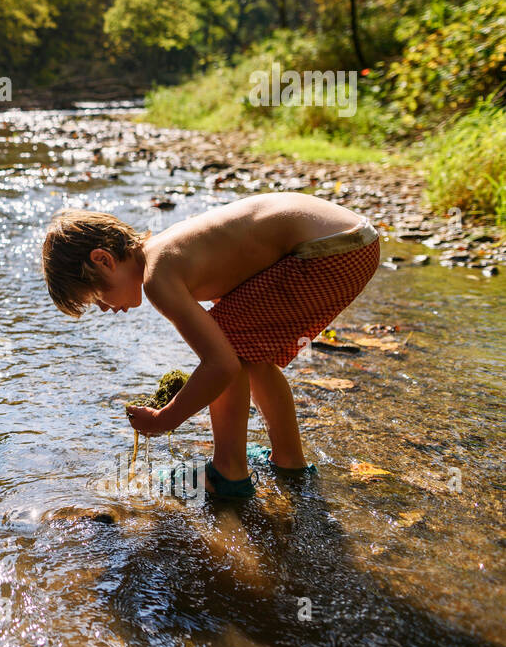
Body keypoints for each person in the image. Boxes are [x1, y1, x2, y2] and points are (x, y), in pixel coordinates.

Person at [41, 193, 380, 498]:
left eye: (97, 298)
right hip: (352, 239)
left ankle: (228, 472)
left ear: (103, 260)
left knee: (228, 344)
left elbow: (222, 365)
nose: (104, 309)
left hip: (329, 250)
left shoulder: (158, 277)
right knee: (249, 348)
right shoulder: (173, 250)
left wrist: (164, 419)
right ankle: (289, 462)